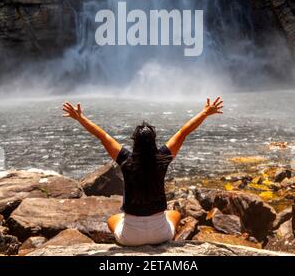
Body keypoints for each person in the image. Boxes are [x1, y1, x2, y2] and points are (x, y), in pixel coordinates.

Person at [62, 96, 223, 246]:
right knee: (175, 215)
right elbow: (183, 132)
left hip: (130, 237)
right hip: (161, 234)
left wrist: (80, 118)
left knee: (113, 219)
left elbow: (102, 135)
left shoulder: (126, 159)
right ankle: (163, 240)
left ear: (134, 142)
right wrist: (205, 112)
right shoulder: (162, 158)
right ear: (154, 142)